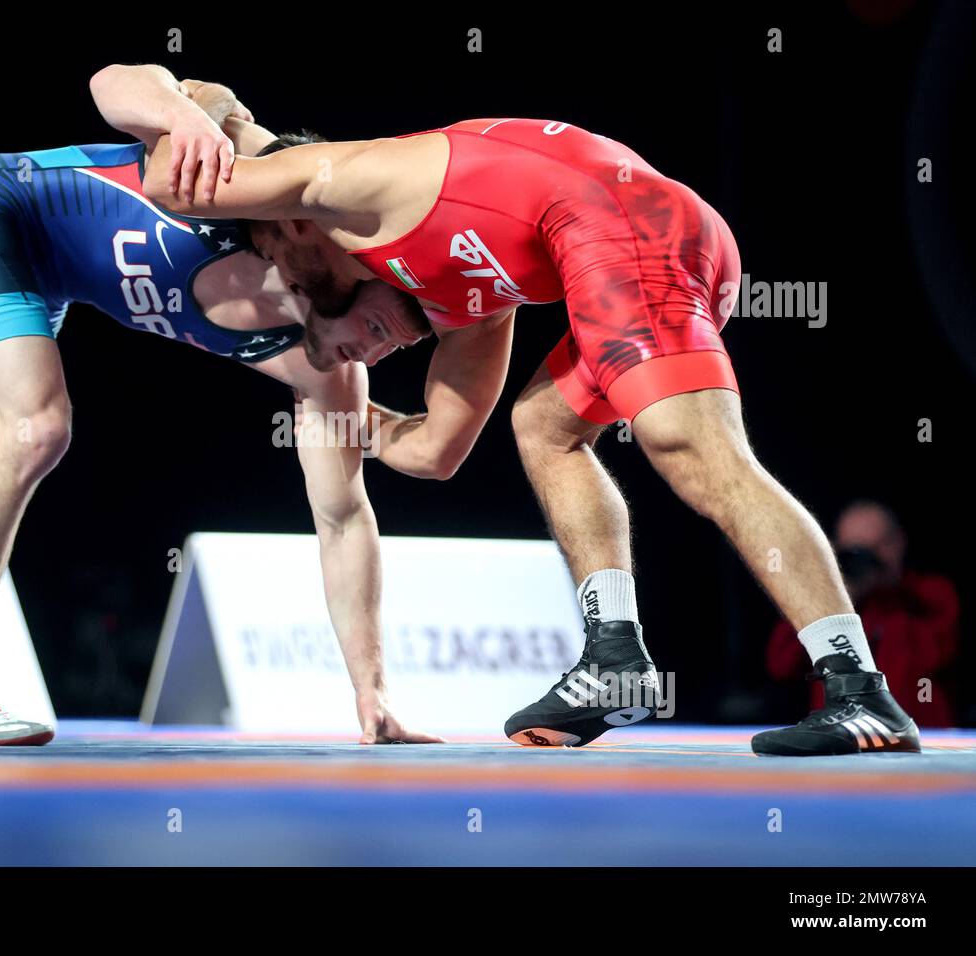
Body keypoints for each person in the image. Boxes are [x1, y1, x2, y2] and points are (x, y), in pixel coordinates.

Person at [142, 116, 920, 755]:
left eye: (270, 247)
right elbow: (434, 451)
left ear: (288, 221)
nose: (276, 271)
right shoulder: (467, 303)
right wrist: (338, 403)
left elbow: (163, 168)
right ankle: (615, 659)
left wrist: (182, 106)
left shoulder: (339, 178)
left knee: (696, 453)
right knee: (543, 427)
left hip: (627, 229)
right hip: (636, 243)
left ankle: (859, 689)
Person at [0, 65, 440, 746]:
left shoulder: (325, 373)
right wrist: (186, 114)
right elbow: (114, 80)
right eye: (375, 332)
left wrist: (370, 693)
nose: (371, 358)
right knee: (37, 428)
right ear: (311, 236)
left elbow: (343, 520)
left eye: (390, 350)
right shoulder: (236, 172)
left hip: (30, 287)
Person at [767, 500, 959, 727]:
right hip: (841, 737)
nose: (867, 560)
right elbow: (780, 665)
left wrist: (888, 591)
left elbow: (939, 656)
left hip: (922, 737)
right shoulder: (824, 603)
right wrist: (837, 598)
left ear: (898, 542)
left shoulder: (929, 595)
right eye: (854, 551)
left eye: (877, 547)